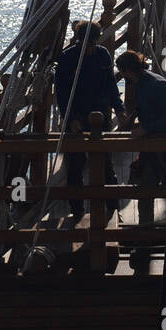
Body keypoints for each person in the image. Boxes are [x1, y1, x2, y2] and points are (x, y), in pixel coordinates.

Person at [54, 21, 124, 219]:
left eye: (94, 43)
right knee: (75, 165)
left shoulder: (102, 54)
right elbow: (62, 93)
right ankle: (77, 210)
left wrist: (119, 109)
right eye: (88, 44)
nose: (91, 48)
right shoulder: (68, 59)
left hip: (101, 115)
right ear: (80, 40)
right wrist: (71, 120)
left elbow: (110, 84)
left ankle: (113, 207)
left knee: (105, 164)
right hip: (76, 116)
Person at [115, 50, 166, 189]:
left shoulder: (157, 85)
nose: (122, 75)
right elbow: (146, 106)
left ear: (128, 70)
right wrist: (131, 120)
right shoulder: (140, 83)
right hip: (149, 144)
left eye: (122, 72)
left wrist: (145, 128)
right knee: (144, 189)